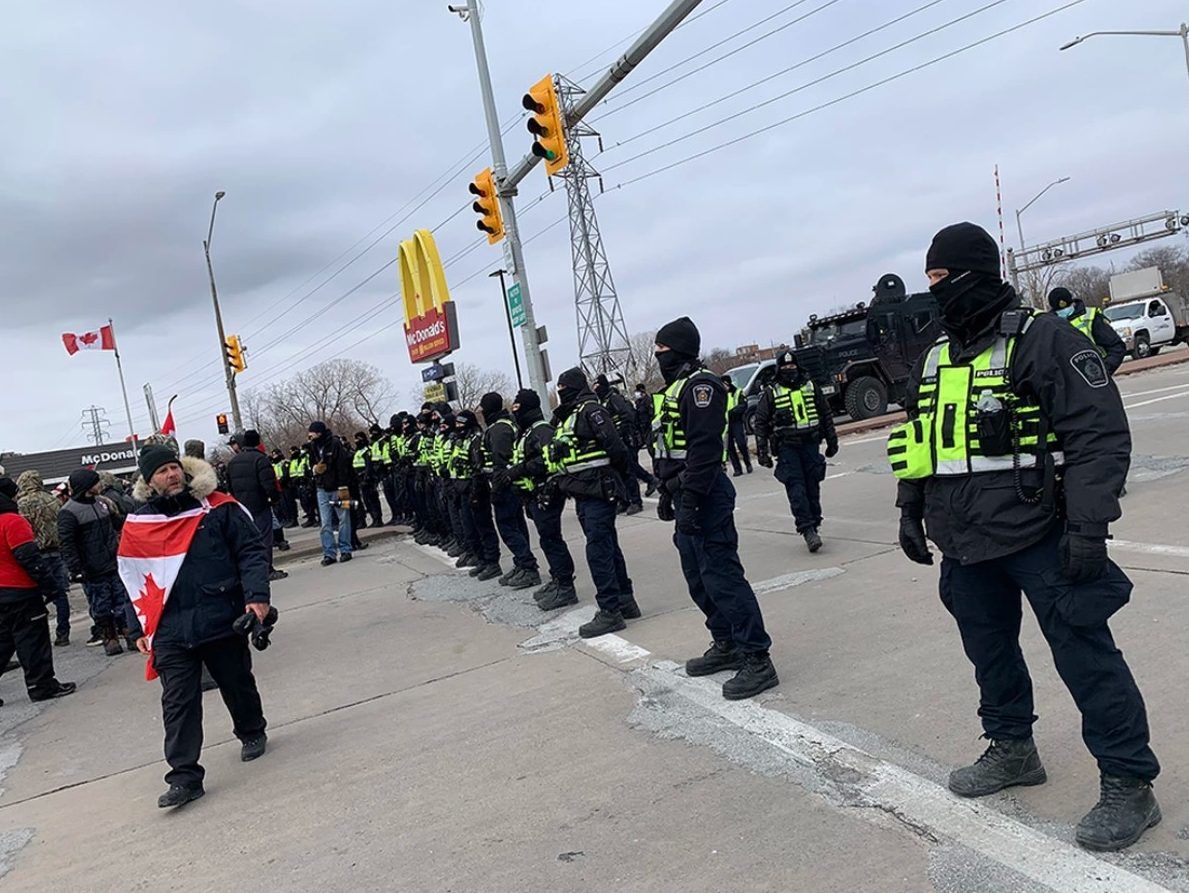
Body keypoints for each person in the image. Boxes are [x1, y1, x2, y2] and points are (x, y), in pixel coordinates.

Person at [891, 222, 1160, 852]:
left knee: (1086, 658)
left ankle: (1129, 781)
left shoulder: (1046, 340)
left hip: (1041, 534)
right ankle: (1012, 749)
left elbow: (1099, 438)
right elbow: (919, 443)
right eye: (930, 279)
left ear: (977, 274)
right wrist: (909, 508)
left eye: (943, 277)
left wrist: (1090, 529)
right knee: (990, 656)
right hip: (962, 540)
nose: (936, 290)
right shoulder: (935, 356)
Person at [125, 445, 270, 809]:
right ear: (149, 481)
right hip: (171, 628)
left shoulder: (219, 507)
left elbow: (250, 551)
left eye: (174, 468)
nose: (171, 475)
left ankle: (251, 730)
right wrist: (136, 628)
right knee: (177, 702)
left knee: (235, 681)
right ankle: (185, 776)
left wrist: (256, 596)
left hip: (219, 614)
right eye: (161, 471)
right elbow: (129, 577)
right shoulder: (139, 524)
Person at [652, 318, 778, 699]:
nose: (659, 358)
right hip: (684, 493)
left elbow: (705, 450)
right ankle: (726, 643)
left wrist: (689, 500)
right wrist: (666, 492)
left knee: (722, 576)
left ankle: (757, 658)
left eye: (662, 351)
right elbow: (670, 449)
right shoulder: (676, 389)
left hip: (705, 495)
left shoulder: (702, 387)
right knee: (698, 578)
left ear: (680, 349)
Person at [547, 368, 638, 638]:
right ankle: (625, 600)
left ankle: (610, 611)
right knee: (608, 546)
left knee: (598, 550)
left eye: (564, 388)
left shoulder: (591, 410)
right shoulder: (571, 414)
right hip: (583, 491)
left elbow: (616, 448)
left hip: (598, 489)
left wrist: (618, 480)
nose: (561, 392)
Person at [0, 477, 76, 705]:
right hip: (20, 590)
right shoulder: (12, 521)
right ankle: (41, 685)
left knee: (3, 641)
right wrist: (50, 587)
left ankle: (41, 684)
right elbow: (29, 558)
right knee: (32, 640)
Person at [753, 350, 838, 553]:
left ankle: (815, 522)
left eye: (792, 367)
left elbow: (824, 413)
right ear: (778, 369)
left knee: (813, 487)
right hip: (787, 447)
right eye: (785, 368)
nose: (789, 371)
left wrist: (832, 441)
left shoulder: (810, 386)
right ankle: (807, 530)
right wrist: (762, 451)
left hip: (810, 444)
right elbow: (761, 422)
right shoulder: (772, 392)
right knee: (797, 490)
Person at [503, 388, 577, 609]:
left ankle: (565, 586)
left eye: (518, 407)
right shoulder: (526, 432)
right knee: (547, 539)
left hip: (547, 492)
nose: (515, 412)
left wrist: (520, 470)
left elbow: (547, 462)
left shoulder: (542, 430)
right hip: (533, 494)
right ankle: (557, 580)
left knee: (552, 539)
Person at [58, 468, 138, 655]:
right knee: (101, 606)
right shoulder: (68, 512)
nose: (99, 485)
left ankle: (129, 635)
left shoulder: (102, 503)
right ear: (87, 486)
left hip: (113, 562)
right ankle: (109, 638)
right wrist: (75, 569)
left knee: (121, 601)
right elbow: (67, 544)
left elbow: (118, 523)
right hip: (92, 569)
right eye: (95, 482)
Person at [479, 392, 541, 590]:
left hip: (505, 485)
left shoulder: (499, 429)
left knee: (507, 527)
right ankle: (521, 563)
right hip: (511, 483)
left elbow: (501, 462)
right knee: (517, 525)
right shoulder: (508, 424)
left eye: (483, 408)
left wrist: (497, 487)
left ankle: (528, 566)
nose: (481, 411)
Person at [16, 470, 72, 646]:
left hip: (36, 554)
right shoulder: (53, 500)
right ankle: (63, 632)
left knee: (36, 596)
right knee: (60, 593)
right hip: (57, 552)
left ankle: (40, 635)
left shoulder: (22, 504)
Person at [227, 431, 287, 582]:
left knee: (248, 541)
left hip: (241, 507)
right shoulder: (260, 459)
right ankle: (267, 569)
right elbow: (268, 484)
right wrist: (273, 500)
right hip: (259, 505)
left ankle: (253, 571)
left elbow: (229, 486)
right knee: (264, 538)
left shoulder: (233, 463)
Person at [593, 374, 654, 514]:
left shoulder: (614, 399)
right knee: (618, 474)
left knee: (629, 471)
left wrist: (620, 433)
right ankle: (624, 500)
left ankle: (636, 501)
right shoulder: (603, 402)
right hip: (615, 443)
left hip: (625, 440)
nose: (596, 389)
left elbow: (628, 416)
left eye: (597, 386)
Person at [1048, 286, 1126, 375]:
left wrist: (1104, 370)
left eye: (1066, 308)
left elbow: (1117, 347)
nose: (1064, 312)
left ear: (1072, 303)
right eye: (1060, 310)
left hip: (1096, 378)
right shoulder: (1050, 326)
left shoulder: (1091, 317)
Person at [308, 421, 354, 566]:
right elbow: (310, 464)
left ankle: (345, 549)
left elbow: (342, 465)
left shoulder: (334, 443)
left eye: (312, 432)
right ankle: (329, 553)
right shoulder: (313, 446)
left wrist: (343, 486)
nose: (309, 435)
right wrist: (315, 469)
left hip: (338, 487)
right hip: (321, 488)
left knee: (344, 519)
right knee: (325, 522)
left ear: (319, 432)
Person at [722, 374, 753, 477]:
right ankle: (737, 469)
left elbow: (743, 405)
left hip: (736, 421)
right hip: (726, 424)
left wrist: (732, 412)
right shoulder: (720, 395)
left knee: (741, 443)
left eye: (724, 385)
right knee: (729, 447)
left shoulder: (738, 392)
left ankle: (747, 463)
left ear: (728, 384)